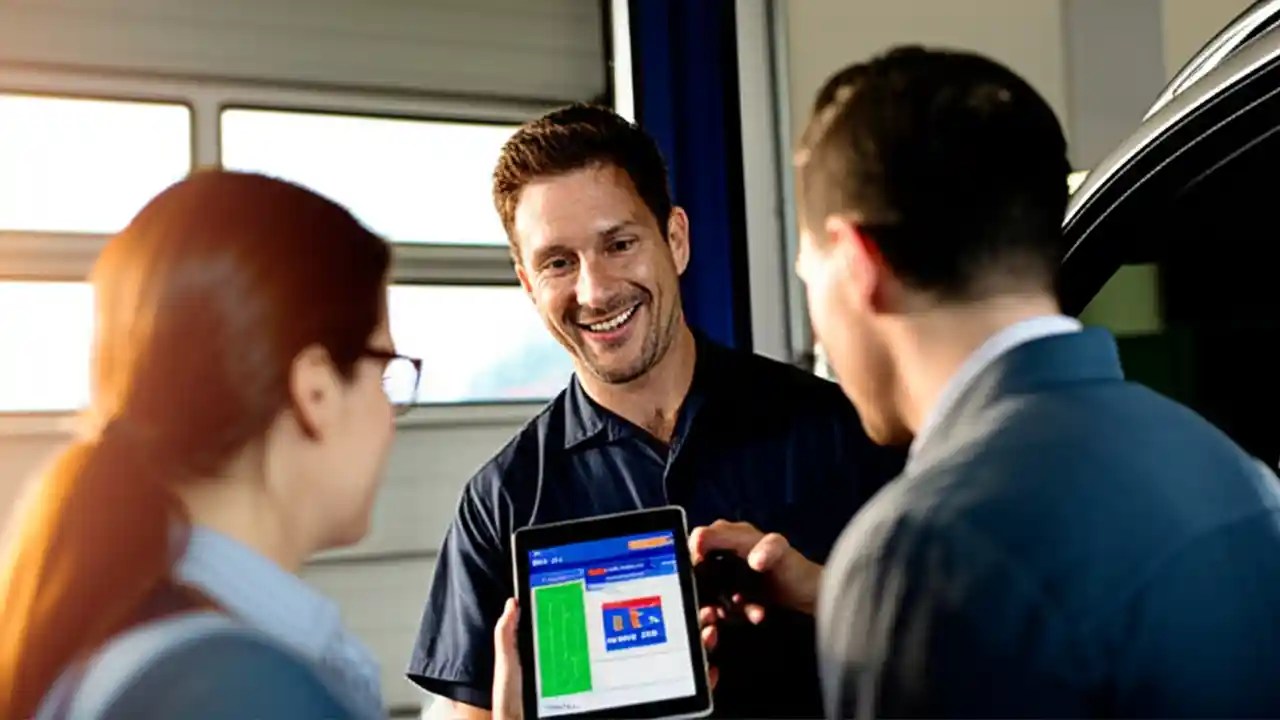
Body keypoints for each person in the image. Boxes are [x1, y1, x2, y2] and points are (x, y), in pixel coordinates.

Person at [685, 45, 1280, 717]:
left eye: (808, 274)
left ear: (857, 266)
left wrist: (874, 598)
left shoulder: (921, 555)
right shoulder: (1231, 469)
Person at [408, 104, 905, 718]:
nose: (595, 290)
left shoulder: (839, 429)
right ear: (526, 280)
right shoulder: (501, 504)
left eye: (619, 244)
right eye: (558, 262)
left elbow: (960, 652)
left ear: (676, 239)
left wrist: (820, 594)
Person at [0, 170, 419, 719]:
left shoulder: (116, 635)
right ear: (314, 390)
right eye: (384, 369)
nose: (390, 414)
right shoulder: (239, 692)